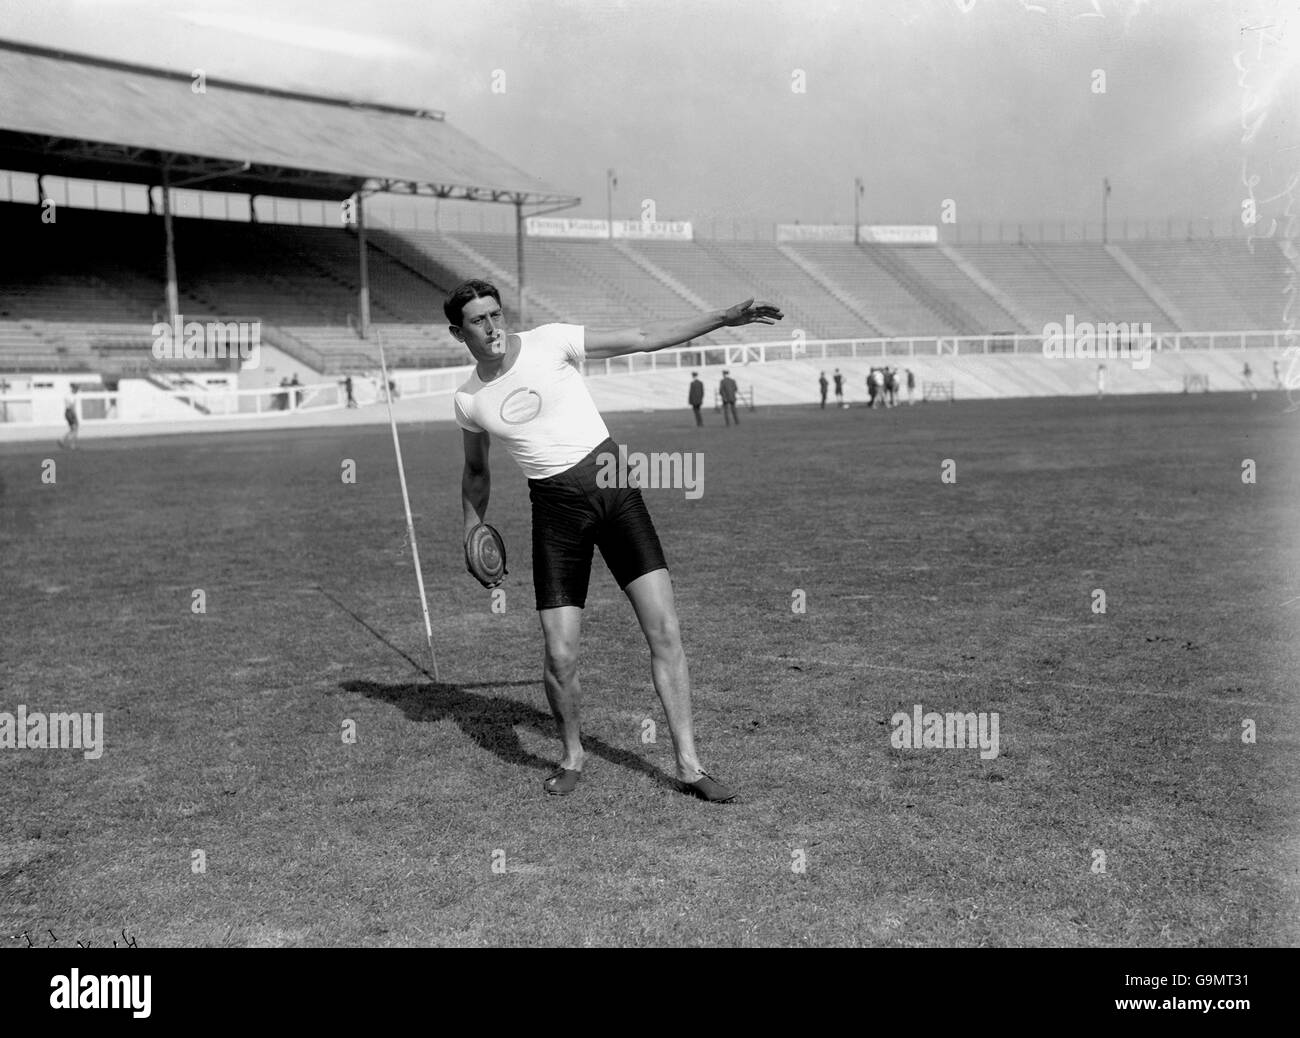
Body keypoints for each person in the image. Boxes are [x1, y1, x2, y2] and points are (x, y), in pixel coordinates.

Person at [449, 280, 782, 802]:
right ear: (458, 331)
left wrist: (721, 317)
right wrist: (473, 527)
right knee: (560, 655)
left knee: (665, 631)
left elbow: (645, 336)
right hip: (556, 514)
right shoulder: (470, 399)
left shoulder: (550, 341)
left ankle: (691, 766)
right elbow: (476, 471)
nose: (492, 328)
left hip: (614, 490)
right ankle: (572, 755)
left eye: (495, 315)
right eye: (478, 321)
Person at [59, 384, 79, 449]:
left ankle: (62, 440)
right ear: (74, 389)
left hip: (67, 412)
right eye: (76, 389)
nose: (77, 391)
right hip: (70, 413)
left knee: (72, 429)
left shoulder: (67, 395)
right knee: (75, 428)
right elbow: (72, 407)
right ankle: (72, 445)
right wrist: (75, 417)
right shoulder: (72, 396)